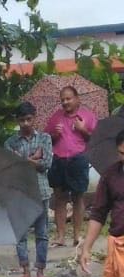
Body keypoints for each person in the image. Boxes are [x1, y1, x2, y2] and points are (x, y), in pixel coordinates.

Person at [77, 128, 124, 277]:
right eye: (122, 153)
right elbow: (98, 214)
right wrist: (86, 247)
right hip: (117, 244)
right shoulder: (110, 176)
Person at [6, 101, 54, 277]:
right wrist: (34, 159)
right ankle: (25, 272)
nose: (25, 123)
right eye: (22, 120)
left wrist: (24, 161)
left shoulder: (44, 138)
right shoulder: (10, 142)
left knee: (42, 234)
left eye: (28, 119)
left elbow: (47, 163)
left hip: (41, 192)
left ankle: (40, 271)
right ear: (17, 121)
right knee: (21, 236)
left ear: (34, 118)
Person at [45, 86, 97, 247]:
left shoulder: (87, 116)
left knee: (78, 197)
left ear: (77, 98)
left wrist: (83, 130)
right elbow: (46, 140)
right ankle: (60, 236)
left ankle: (77, 236)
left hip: (78, 159)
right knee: (59, 198)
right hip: (59, 160)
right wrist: (55, 134)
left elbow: (95, 139)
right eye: (62, 100)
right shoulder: (56, 117)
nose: (65, 102)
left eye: (68, 98)